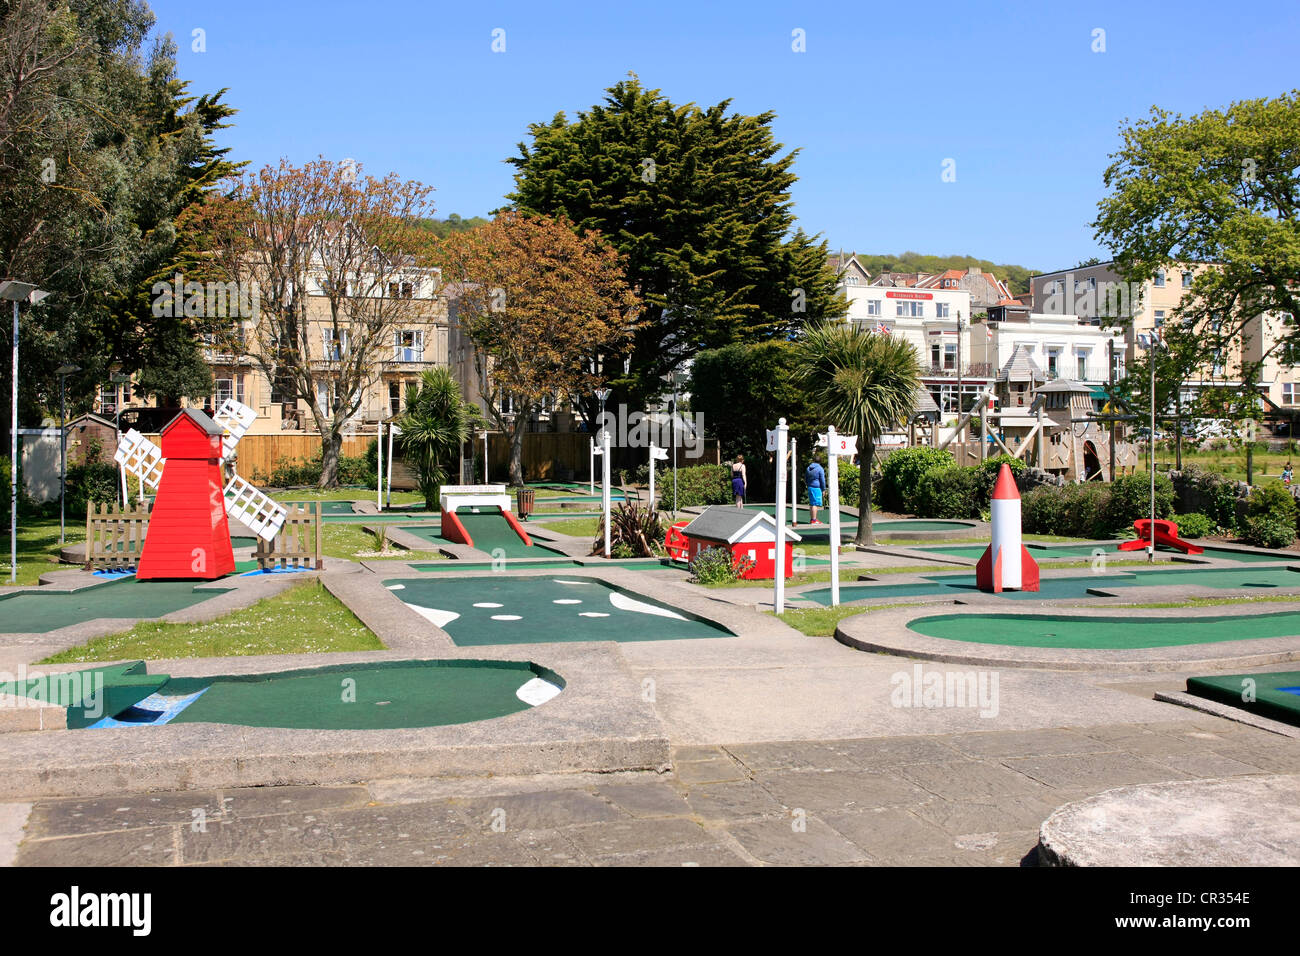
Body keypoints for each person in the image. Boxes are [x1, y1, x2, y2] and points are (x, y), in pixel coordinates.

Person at [805, 454, 827, 525]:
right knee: (815, 504)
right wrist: (823, 489)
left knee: (812, 504)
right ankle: (814, 520)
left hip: (810, 487)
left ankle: (812, 519)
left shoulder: (808, 468)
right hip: (817, 488)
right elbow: (822, 480)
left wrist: (808, 485)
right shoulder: (820, 469)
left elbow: (806, 478)